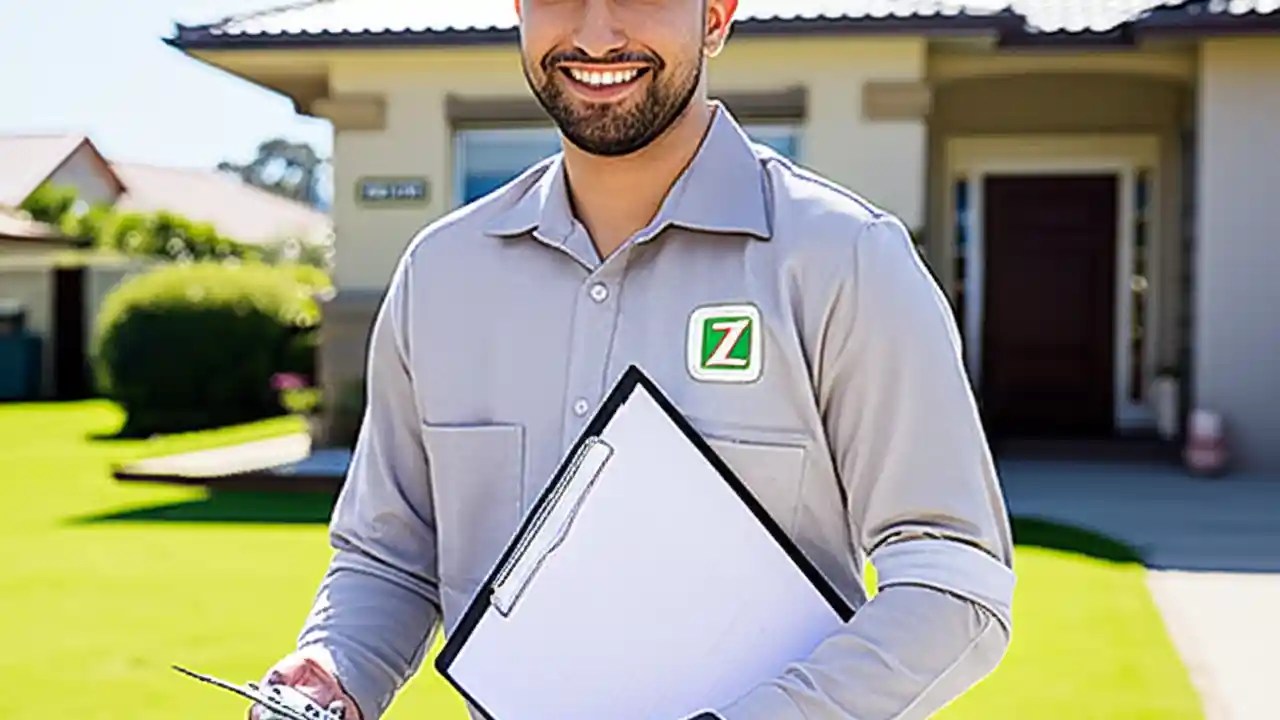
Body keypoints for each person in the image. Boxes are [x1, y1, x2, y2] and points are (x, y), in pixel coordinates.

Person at [252, 0, 1016, 718]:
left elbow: (954, 581)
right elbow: (390, 557)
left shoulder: (845, 260)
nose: (596, 32)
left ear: (716, 15)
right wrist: (335, 664)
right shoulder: (440, 275)